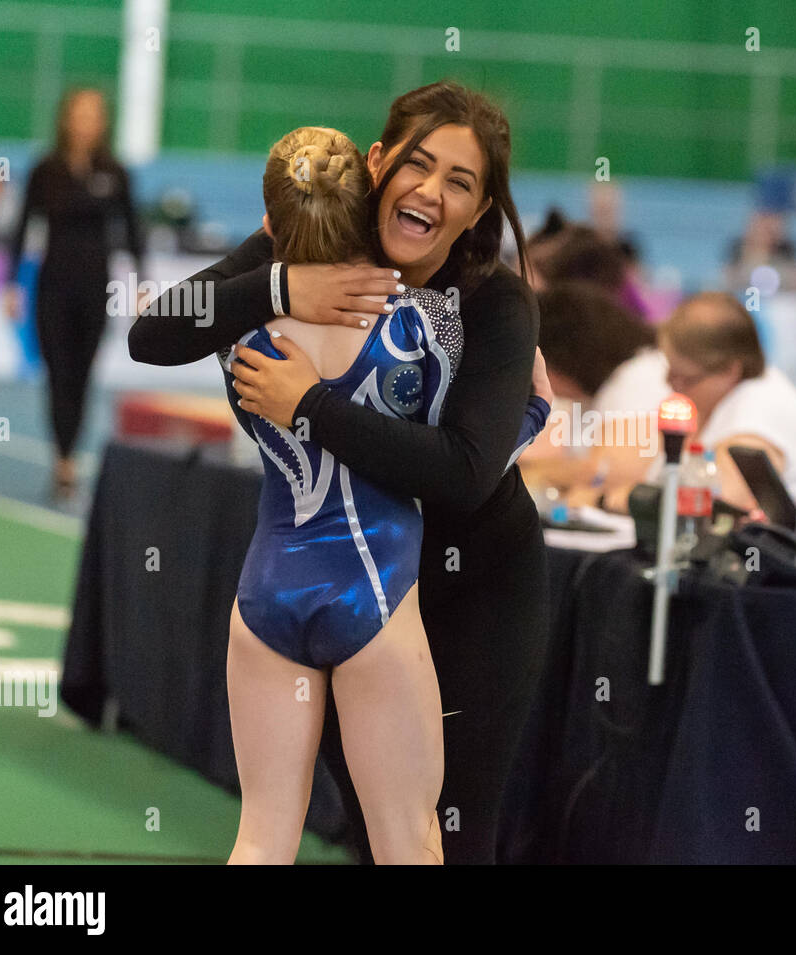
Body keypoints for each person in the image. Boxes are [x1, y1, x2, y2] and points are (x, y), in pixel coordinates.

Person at [129, 80, 550, 865]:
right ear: (377, 162)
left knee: (455, 832)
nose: (430, 191)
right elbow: (154, 332)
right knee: (377, 832)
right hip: (364, 579)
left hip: (475, 584)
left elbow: (462, 474)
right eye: (417, 166)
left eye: (460, 182)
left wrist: (309, 404)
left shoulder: (494, 304)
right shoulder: (307, 243)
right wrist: (284, 283)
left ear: (481, 207)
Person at [211, 126, 468, 863]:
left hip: (266, 595)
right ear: (367, 205)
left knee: (260, 838)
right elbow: (457, 464)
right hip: (374, 596)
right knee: (408, 840)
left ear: (269, 222)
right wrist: (536, 414)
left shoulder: (240, 330)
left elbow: (169, 320)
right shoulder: (424, 323)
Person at [6, 88, 144, 500]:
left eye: (95, 114)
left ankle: (69, 453)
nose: (87, 121)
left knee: (82, 376)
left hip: (94, 289)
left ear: (104, 121)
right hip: (52, 289)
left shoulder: (115, 172)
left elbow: (133, 231)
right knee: (57, 373)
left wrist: (143, 285)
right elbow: (21, 228)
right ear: (66, 118)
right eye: (80, 113)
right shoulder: (45, 171)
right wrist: (13, 284)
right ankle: (63, 457)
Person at [654, 291, 796, 509]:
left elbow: (717, 502)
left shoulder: (759, 405)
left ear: (730, 370)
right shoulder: (726, 400)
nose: (671, 385)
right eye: (670, 373)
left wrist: (625, 498)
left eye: (684, 378)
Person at [521, 280, 669, 509]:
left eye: (541, 367)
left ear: (565, 359)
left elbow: (609, 472)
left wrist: (536, 471)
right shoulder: (592, 393)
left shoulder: (640, 375)